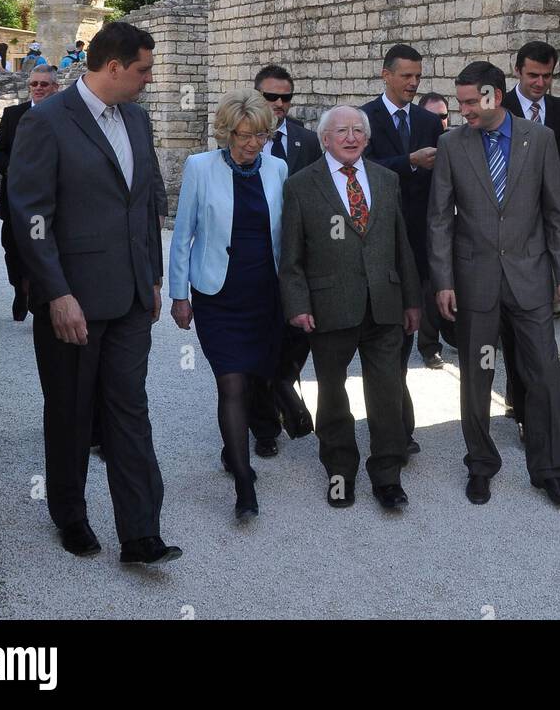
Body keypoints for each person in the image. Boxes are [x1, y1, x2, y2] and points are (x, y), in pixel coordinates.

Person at [7, 21, 179, 566]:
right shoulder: (47, 122)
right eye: (143, 70)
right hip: (73, 302)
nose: (149, 80)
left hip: (130, 298)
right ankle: (71, 515)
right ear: (112, 67)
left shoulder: (138, 119)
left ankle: (140, 534)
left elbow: (147, 200)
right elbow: (31, 214)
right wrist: (56, 293)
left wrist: (152, 277)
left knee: (130, 410)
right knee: (71, 412)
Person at [428, 61, 560, 509]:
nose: (465, 111)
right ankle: (480, 465)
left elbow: (557, 212)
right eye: (460, 103)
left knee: (544, 376)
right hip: (474, 282)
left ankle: (549, 471)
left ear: (495, 95)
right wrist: (443, 281)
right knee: (476, 377)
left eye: (472, 102)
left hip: (530, 279)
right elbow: (439, 220)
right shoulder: (451, 144)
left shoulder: (541, 140)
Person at [280, 106, 421, 511]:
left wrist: (412, 301)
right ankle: (340, 471)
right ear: (325, 139)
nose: (351, 136)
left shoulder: (386, 179)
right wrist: (297, 304)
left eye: (358, 130)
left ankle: (388, 477)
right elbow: (290, 257)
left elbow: (402, 247)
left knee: (387, 393)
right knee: (333, 394)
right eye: (341, 130)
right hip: (329, 308)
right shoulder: (301, 186)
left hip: (384, 305)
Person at [169, 90, 287, 522]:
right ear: (225, 133)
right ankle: (243, 481)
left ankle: (238, 442)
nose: (252, 144)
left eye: (260, 135)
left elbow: (286, 235)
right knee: (231, 384)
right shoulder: (201, 167)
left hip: (264, 293)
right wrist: (179, 295)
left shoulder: (278, 168)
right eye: (243, 136)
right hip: (218, 294)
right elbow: (183, 235)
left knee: (258, 376)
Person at [360, 44, 444, 452]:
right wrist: (408, 161)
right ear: (385, 74)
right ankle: (395, 428)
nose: (413, 83)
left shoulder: (430, 122)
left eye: (418, 76)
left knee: (405, 335)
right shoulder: (364, 119)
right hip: (377, 245)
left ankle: (395, 424)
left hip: (419, 244)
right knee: (384, 339)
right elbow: (364, 171)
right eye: (406, 76)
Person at [501, 41, 560, 437]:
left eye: (547, 76)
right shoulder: (501, 109)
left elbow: (553, 174)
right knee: (510, 325)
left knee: (534, 319)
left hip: (541, 231)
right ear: (517, 71)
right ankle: (517, 396)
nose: (540, 83)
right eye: (533, 75)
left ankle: (533, 410)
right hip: (503, 233)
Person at [250, 62, 321, 451]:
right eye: (270, 96)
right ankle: (263, 428)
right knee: (260, 340)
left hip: (299, 259)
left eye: (285, 97)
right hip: (256, 258)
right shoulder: (242, 137)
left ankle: (281, 386)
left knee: (298, 336)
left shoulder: (306, 141)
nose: (279, 104)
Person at [0, 67, 60, 320]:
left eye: (44, 84)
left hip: (53, 201)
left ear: (55, 87)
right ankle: (21, 288)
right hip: (16, 200)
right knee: (13, 249)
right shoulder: (13, 115)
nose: (38, 88)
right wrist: (15, 172)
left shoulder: (66, 117)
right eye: (34, 84)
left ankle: (42, 297)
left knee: (46, 247)